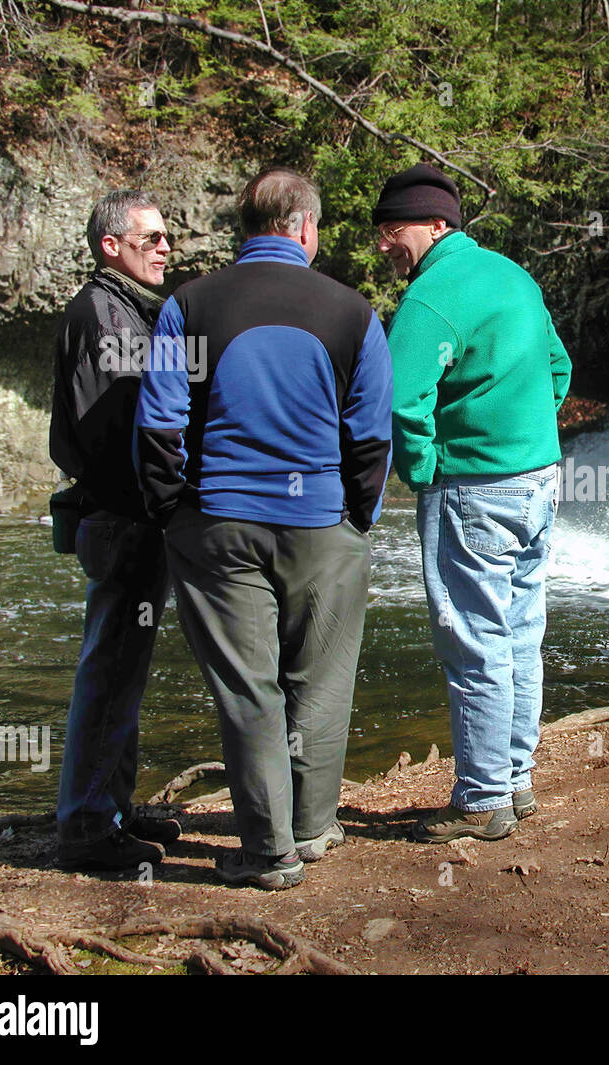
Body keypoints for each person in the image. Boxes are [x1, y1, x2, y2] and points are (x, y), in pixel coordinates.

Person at [135, 168, 393, 889]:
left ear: (245, 231)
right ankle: (311, 827)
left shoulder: (188, 304)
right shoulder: (353, 312)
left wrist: (171, 514)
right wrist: (356, 518)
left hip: (218, 521)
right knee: (321, 679)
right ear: (305, 229)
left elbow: (158, 428)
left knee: (250, 687)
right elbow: (372, 437)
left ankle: (268, 850)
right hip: (320, 523)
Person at [373, 163, 571, 843]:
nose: (382, 245)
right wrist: (526, 436)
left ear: (434, 224)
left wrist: (424, 470)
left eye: (390, 229)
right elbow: (559, 367)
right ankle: (515, 779)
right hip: (538, 482)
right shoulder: (515, 277)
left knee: (474, 636)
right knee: (518, 630)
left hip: (472, 489)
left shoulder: (430, 300)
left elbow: (398, 400)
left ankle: (483, 799)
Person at [50, 189, 180, 871]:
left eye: (165, 237)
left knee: (122, 668)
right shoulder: (105, 316)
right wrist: (160, 500)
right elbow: (120, 429)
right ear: (111, 246)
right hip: (122, 518)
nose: (165, 247)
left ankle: (112, 808)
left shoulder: (123, 308)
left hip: (123, 517)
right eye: (150, 238)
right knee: (109, 670)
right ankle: (88, 827)